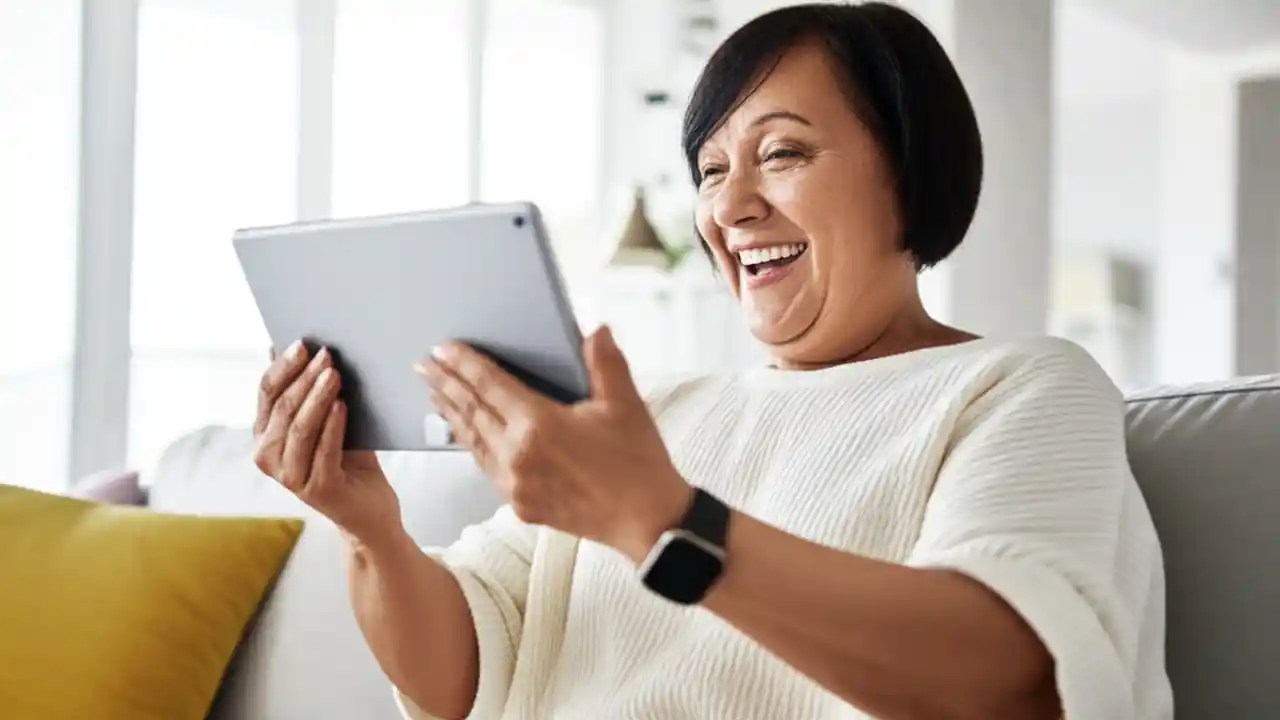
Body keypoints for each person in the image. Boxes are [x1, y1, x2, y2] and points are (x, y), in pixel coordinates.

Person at [251, 3, 1171, 719]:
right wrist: (370, 528)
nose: (730, 207)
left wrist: (661, 519)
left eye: (782, 153)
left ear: (908, 169)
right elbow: (461, 675)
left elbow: (1008, 682)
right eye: (708, 169)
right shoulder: (649, 414)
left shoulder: (1016, 386)